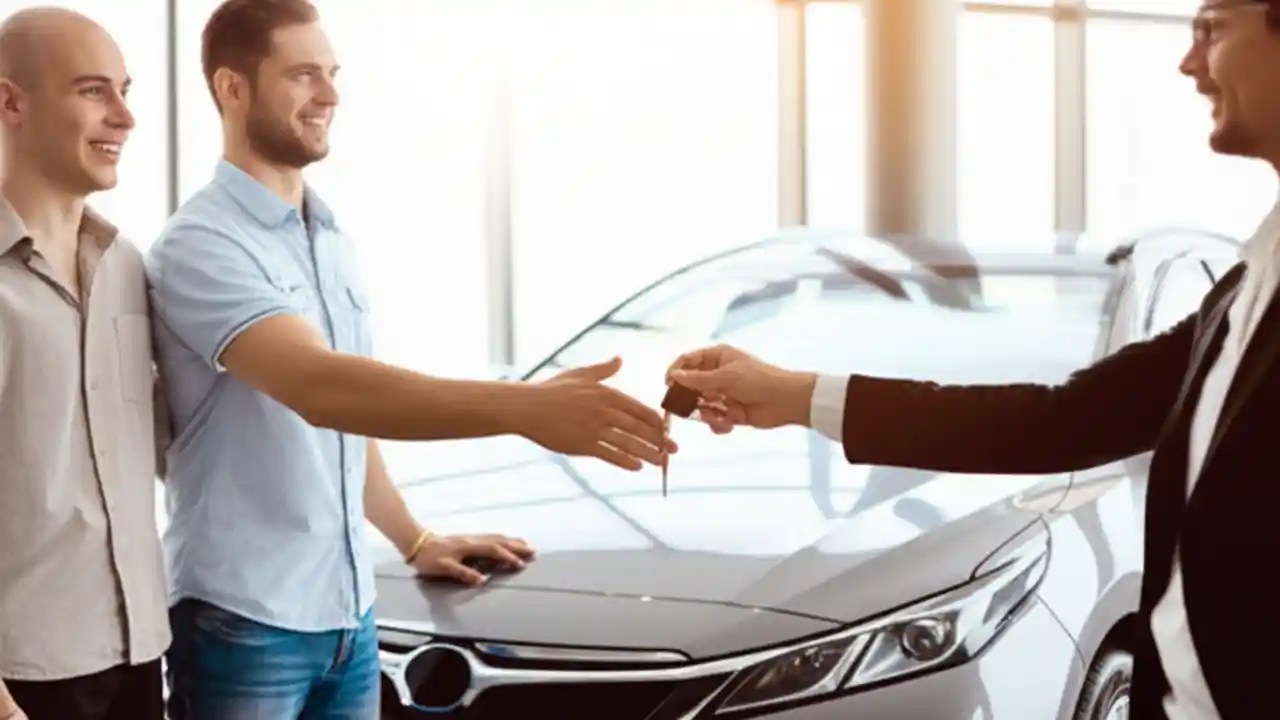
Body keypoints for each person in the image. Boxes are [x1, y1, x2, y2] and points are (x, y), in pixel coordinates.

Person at [667, 2, 1280, 718]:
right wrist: (792, 395)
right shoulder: (1247, 282)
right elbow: (1061, 420)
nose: (1188, 63)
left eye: (1210, 28)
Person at [145, 0, 673, 716]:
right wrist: (526, 408)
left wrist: (413, 538)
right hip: (245, 625)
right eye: (303, 74)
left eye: (331, 73)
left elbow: (346, 429)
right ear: (232, 89)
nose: (330, 94)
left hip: (348, 617)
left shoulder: (328, 236)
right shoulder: (201, 245)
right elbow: (322, 388)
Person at [0, 8, 169, 720]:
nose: (125, 116)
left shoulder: (130, 266)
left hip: (140, 653)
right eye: (94, 90)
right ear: (9, 101)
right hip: (25, 677)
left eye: (126, 89)